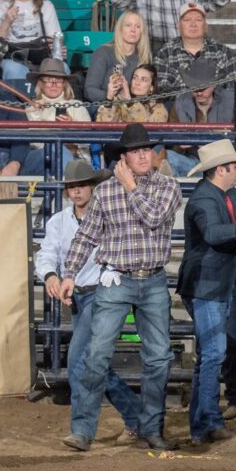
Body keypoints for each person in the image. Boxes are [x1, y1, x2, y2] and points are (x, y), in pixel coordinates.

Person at [57, 122, 183, 452]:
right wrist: (69, 272)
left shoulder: (168, 187)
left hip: (152, 279)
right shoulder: (105, 192)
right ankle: (82, 429)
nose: (143, 155)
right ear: (124, 157)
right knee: (96, 354)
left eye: (146, 150)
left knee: (158, 358)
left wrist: (130, 187)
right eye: (136, 151)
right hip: (115, 278)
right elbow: (87, 235)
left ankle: (151, 427)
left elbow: (154, 218)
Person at [44, 159, 143, 451]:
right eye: (72, 187)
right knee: (93, 363)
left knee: (78, 360)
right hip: (77, 296)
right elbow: (47, 253)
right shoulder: (58, 222)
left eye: (81, 186)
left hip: (103, 294)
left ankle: (82, 430)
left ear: (91, 187)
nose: (76, 192)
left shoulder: (108, 216)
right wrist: (50, 274)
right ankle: (137, 415)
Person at [179, 138, 236, 445]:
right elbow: (214, 234)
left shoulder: (220, 195)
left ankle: (201, 425)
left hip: (212, 284)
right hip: (206, 286)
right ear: (221, 170)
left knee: (210, 353)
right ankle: (208, 421)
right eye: (234, 167)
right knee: (215, 352)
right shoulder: (205, 199)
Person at [23, 57, 90, 177]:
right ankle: (65, 187)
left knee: (62, 151)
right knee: (58, 148)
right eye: (49, 79)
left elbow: (87, 142)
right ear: (41, 83)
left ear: (64, 83)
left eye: (58, 80)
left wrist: (72, 127)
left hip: (74, 157)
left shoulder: (77, 106)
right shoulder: (31, 108)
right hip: (41, 159)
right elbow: (33, 142)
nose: (54, 84)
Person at [80, 12, 149, 108]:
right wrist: (110, 96)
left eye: (138, 26)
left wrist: (129, 101)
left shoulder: (143, 58)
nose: (133, 30)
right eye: (128, 25)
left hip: (132, 110)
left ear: (142, 32)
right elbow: (89, 91)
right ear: (120, 29)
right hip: (102, 108)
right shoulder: (103, 52)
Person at [94, 63, 169, 126]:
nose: (137, 82)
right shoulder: (119, 101)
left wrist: (130, 103)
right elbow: (104, 126)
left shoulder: (159, 109)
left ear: (151, 87)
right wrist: (109, 98)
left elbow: (144, 130)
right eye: (135, 77)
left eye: (143, 79)